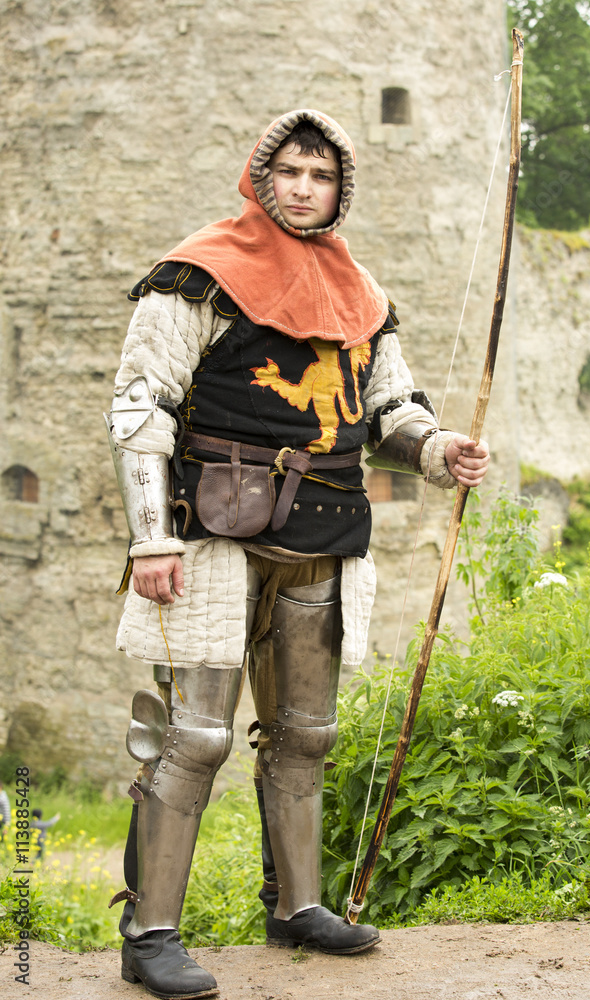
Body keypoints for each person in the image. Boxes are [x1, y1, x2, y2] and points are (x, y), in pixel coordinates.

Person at [106, 109, 489, 1000]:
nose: (303, 189)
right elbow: (139, 406)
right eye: (289, 174)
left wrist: (439, 451)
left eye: (320, 177)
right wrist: (150, 538)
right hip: (209, 527)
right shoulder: (197, 276)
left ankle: (298, 908)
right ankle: (151, 931)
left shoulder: (361, 293)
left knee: (306, 735)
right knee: (195, 736)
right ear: (261, 178)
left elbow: (388, 413)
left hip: (322, 531)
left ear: (338, 189)